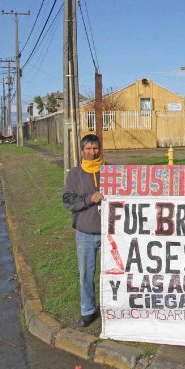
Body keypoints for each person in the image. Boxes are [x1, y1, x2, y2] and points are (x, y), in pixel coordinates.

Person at [62, 134, 105, 327]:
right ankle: (88, 310)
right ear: (82, 151)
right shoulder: (74, 174)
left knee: (112, 274)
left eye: (95, 148)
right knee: (86, 275)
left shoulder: (110, 170)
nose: (92, 152)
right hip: (85, 234)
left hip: (109, 232)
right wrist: (90, 199)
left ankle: (111, 308)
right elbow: (68, 201)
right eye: (88, 149)